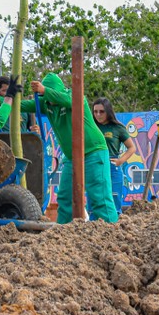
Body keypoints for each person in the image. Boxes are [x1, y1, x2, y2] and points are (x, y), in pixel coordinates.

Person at [22, 73, 118, 224]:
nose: (50, 102)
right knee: (65, 197)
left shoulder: (74, 97)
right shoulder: (46, 104)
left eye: (51, 96)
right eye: (47, 99)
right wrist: (0, 100)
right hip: (72, 157)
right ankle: (63, 234)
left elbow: (67, 100)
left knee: (100, 197)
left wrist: (45, 91)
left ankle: (111, 234)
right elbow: (21, 106)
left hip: (94, 152)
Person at [91, 97, 135, 214]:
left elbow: (132, 147)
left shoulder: (117, 128)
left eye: (102, 111)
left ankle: (114, 228)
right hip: (94, 166)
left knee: (114, 200)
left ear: (108, 111)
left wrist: (120, 161)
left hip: (112, 166)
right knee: (93, 201)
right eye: (95, 111)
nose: (98, 115)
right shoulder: (90, 127)